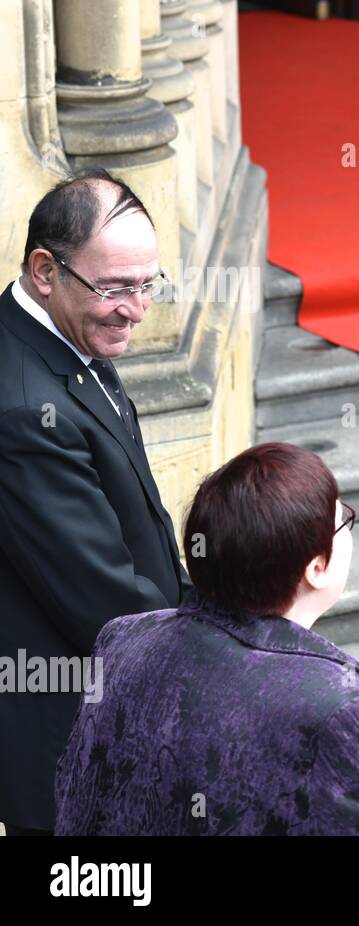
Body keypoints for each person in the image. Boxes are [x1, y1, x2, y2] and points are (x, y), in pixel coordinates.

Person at [55, 442, 359, 836]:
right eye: (342, 520)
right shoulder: (350, 718)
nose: (347, 528)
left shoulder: (125, 639)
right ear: (316, 567)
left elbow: (78, 797)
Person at [0, 169, 189, 835]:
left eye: (148, 285)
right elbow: (106, 606)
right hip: (73, 755)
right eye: (115, 288)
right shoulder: (21, 406)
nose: (137, 309)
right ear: (45, 270)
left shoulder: (67, 332)